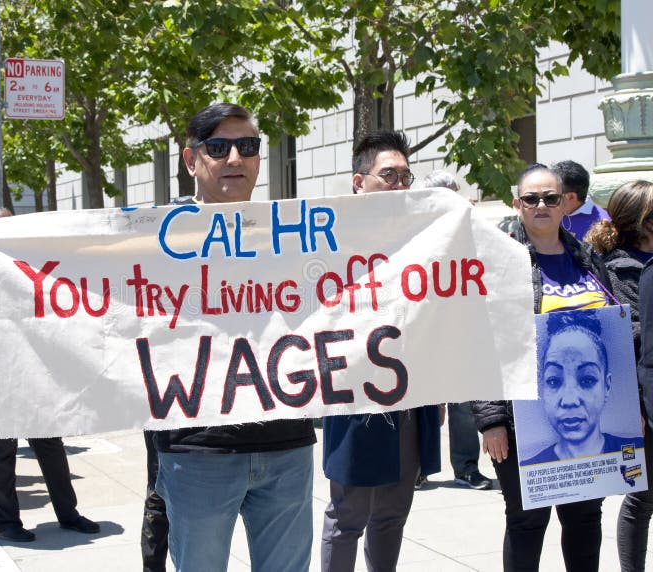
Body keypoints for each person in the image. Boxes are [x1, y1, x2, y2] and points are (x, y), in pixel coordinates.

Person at [151, 103, 316, 572]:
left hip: (287, 444)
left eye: (247, 146)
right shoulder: (155, 242)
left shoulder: (297, 234)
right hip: (198, 451)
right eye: (219, 147)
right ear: (191, 160)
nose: (235, 159)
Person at [472, 163, 614, 571]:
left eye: (550, 198)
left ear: (565, 203)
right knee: (527, 521)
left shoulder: (588, 258)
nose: (541, 206)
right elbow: (479, 342)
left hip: (586, 418)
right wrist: (491, 419)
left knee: (585, 518)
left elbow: (615, 331)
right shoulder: (499, 264)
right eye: (531, 198)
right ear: (517, 203)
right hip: (521, 419)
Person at [321, 130, 441, 572]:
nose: (400, 184)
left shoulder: (423, 239)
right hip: (356, 398)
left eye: (406, 177)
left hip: (411, 399)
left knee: (392, 514)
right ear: (359, 182)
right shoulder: (332, 240)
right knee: (348, 515)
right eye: (389, 175)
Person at [0, 206, 100, 543]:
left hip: (34, 369)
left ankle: (68, 513)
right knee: (0, 449)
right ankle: (6, 523)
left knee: (50, 444)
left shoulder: (32, 263)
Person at [585, 179, 653, 571]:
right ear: (644, 221)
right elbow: (625, 336)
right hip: (641, 398)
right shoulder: (615, 270)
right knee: (643, 497)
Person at [417, 170, 492, 491]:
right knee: (423, 403)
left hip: (459, 325)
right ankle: (418, 468)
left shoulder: (469, 224)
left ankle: (466, 468)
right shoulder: (416, 229)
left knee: (462, 402)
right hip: (425, 325)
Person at [522, 310, 642, 465]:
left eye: (586, 380)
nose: (569, 400)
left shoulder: (636, 452)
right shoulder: (531, 468)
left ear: (606, 386)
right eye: (553, 381)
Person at [552, 160, 610, 241]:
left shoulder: (604, 224)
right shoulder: (549, 215)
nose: (547, 200)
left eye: (552, 195)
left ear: (571, 197)